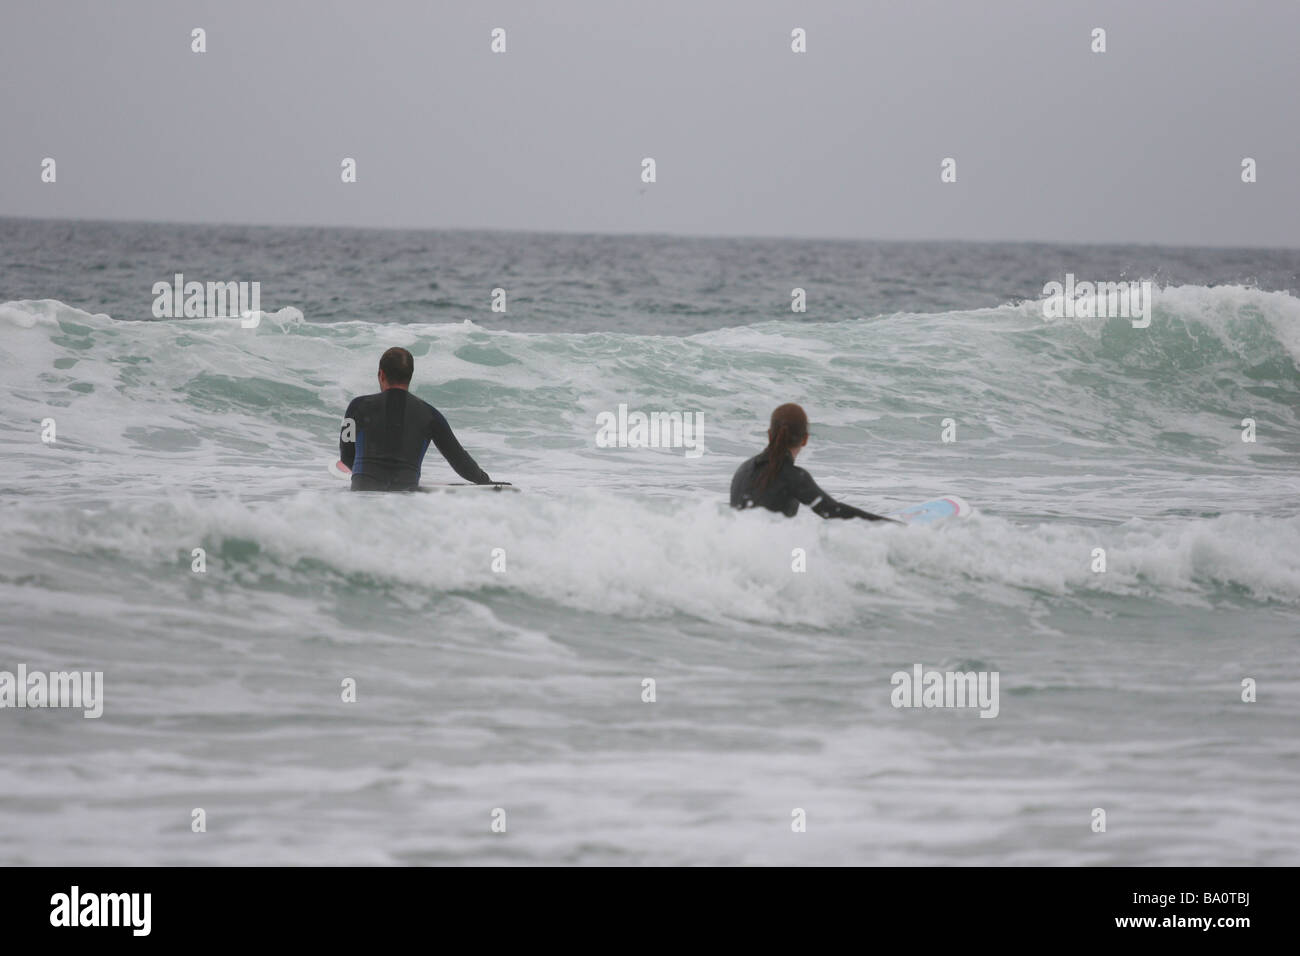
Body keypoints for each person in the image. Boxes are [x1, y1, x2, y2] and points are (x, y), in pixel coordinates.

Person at [339, 347, 499, 492]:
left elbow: (346, 455)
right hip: (406, 502)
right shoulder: (431, 415)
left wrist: (365, 474)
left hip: (362, 499)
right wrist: (487, 481)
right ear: (410, 376)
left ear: (381, 374)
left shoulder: (356, 407)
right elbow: (458, 459)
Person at [730, 403, 895, 521]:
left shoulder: (743, 470)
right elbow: (832, 511)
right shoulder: (792, 476)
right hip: (772, 561)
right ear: (805, 439)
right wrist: (891, 525)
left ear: (769, 435)